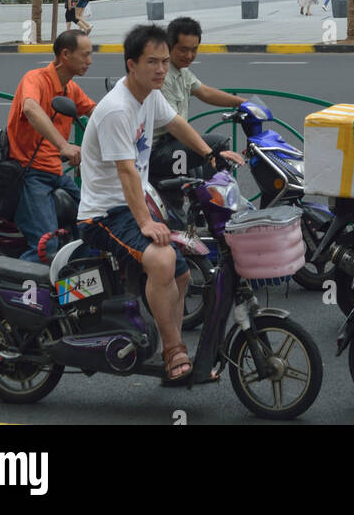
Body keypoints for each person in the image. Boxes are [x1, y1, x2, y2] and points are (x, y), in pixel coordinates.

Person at [79, 24, 244, 381]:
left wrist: (209, 153)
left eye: (164, 62)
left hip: (135, 200)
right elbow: (126, 173)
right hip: (103, 212)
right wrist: (145, 224)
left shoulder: (149, 96)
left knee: (183, 274)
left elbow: (177, 123)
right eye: (152, 62)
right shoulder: (117, 110)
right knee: (162, 257)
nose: (161, 70)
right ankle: (173, 352)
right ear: (131, 64)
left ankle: (163, 337)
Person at [8, 30, 96, 261]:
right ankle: (5, 291)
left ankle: (76, 290)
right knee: (46, 246)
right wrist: (63, 145)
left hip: (55, 172)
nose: (90, 60)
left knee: (91, 226)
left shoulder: (70, 88)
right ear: (65, 55)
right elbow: (30, 108)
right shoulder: (35, 79)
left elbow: (96, 113)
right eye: (85, 55)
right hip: (30, 173)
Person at [149, 16, 247, 179]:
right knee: (217, 144)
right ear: (169, 46)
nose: (189, 55)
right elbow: (174, 124)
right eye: (183, 49)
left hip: (172, 143)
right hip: (157, 151)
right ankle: (209, 198)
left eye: (194, 50)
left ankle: (205, 195)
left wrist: (244, 103)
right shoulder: (162, 75)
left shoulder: (181, 70)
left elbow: (205, 92)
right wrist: (208, 152)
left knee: (211, 150)